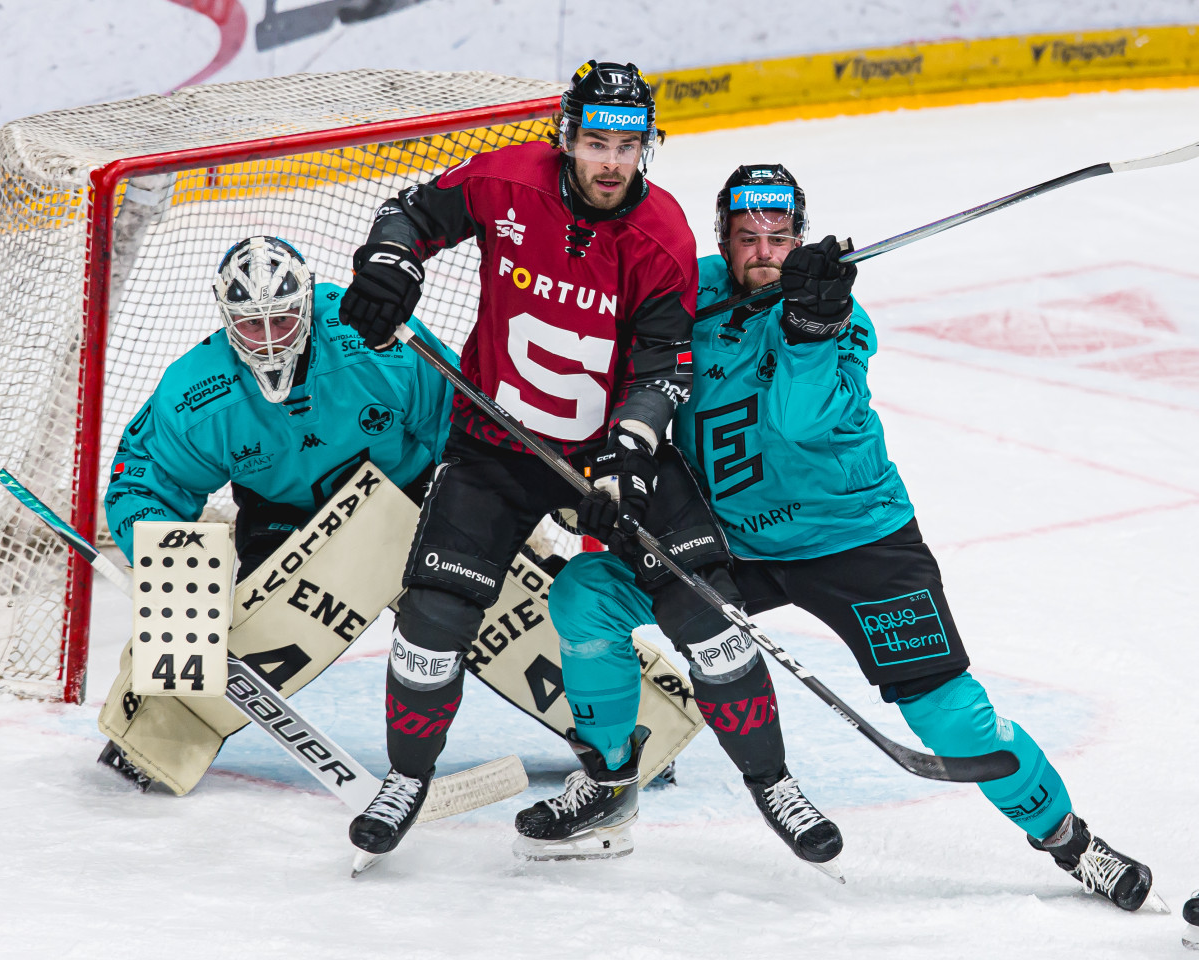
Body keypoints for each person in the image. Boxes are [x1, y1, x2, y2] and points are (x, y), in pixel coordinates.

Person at [533, 164, 1163, 910]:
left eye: (778, 236)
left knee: (947, 714)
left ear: (800, 238)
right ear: (721, 240)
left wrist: (811, 328)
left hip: (855, 545)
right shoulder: (684, 292)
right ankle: (608, 778)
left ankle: (1070, 841)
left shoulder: (838, 315)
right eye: (746, 238)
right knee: (584, 595)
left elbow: (799, 425)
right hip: (732, 542)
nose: (763, 252)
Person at [336, 61, 838, 865]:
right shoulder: (505, 179)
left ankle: (773, 782)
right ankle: (405, 780)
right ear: (566, 138)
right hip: (495, 445)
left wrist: (630, 452)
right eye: (596, 141)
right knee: (433, 619)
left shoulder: (663, 231)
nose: (612, 161)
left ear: (648, 147)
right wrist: (393, 261)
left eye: (629, 145)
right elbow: (412, 215)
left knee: (707, 615)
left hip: (608, 453)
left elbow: (665, 360)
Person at [99, 234, 456, 786]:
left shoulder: (373, 336)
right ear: (225, 317)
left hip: (407, 501)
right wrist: (171, 564)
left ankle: (612, 723)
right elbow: (143, 480)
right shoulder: (198, 390)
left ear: (309, 303)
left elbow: (458, 418)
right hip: (288, 521)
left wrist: (500, 504)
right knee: (226, 623)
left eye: (283, 319)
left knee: (476, 598)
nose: (267, 341)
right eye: (249, 324)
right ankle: (152, 730)